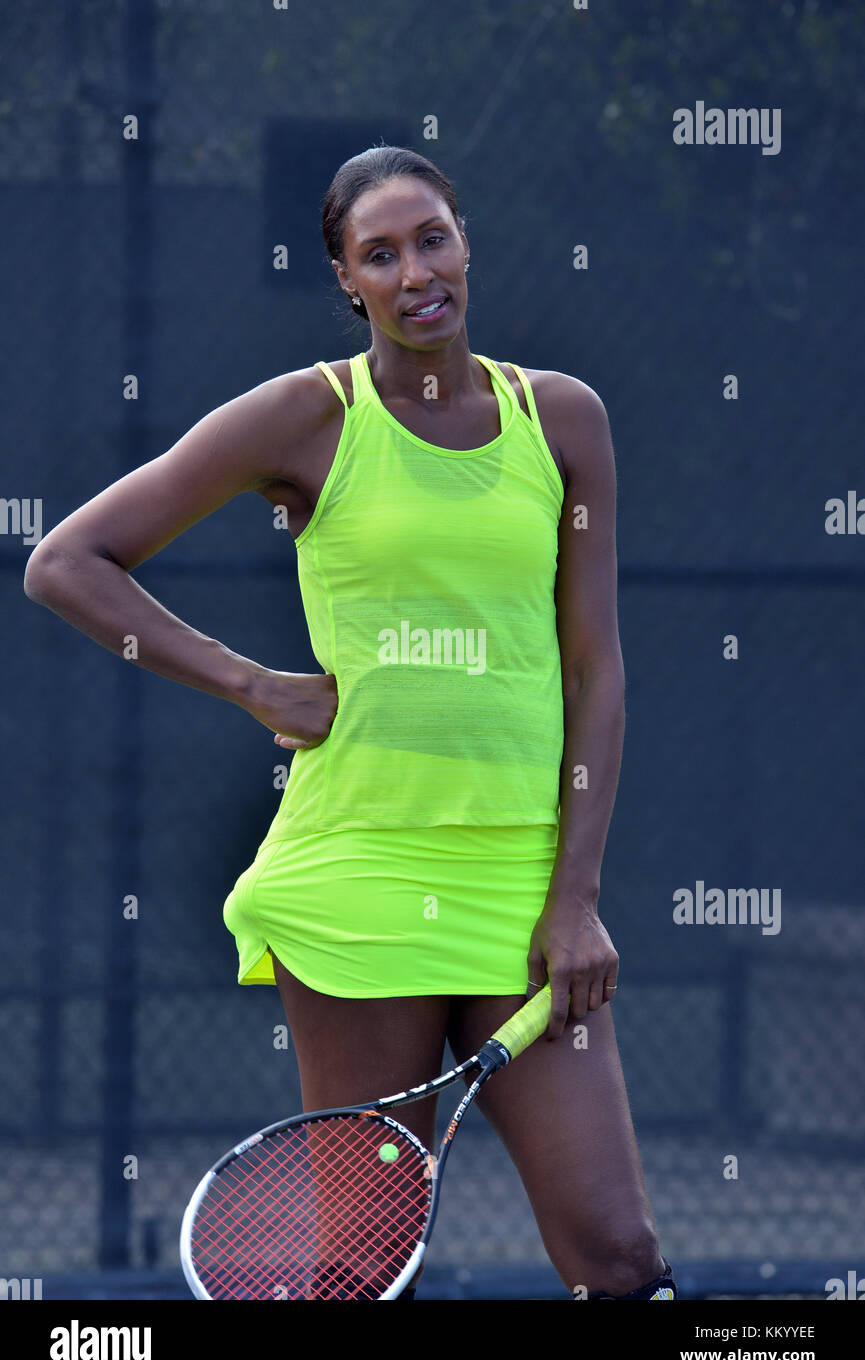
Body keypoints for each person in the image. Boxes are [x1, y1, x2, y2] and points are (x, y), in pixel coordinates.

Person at [23, 143, 676, 1301]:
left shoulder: (562, 419)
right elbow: (67, 562)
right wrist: (252, 685)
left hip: (530, 894)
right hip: (359, 880)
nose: (415, 269)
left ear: (465, 243)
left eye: (432, 237)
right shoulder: (305, 418)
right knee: (369, 1267)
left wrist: (574, 897)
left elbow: (597, 670)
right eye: (381, 253)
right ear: (344, 277)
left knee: (620, 1260)